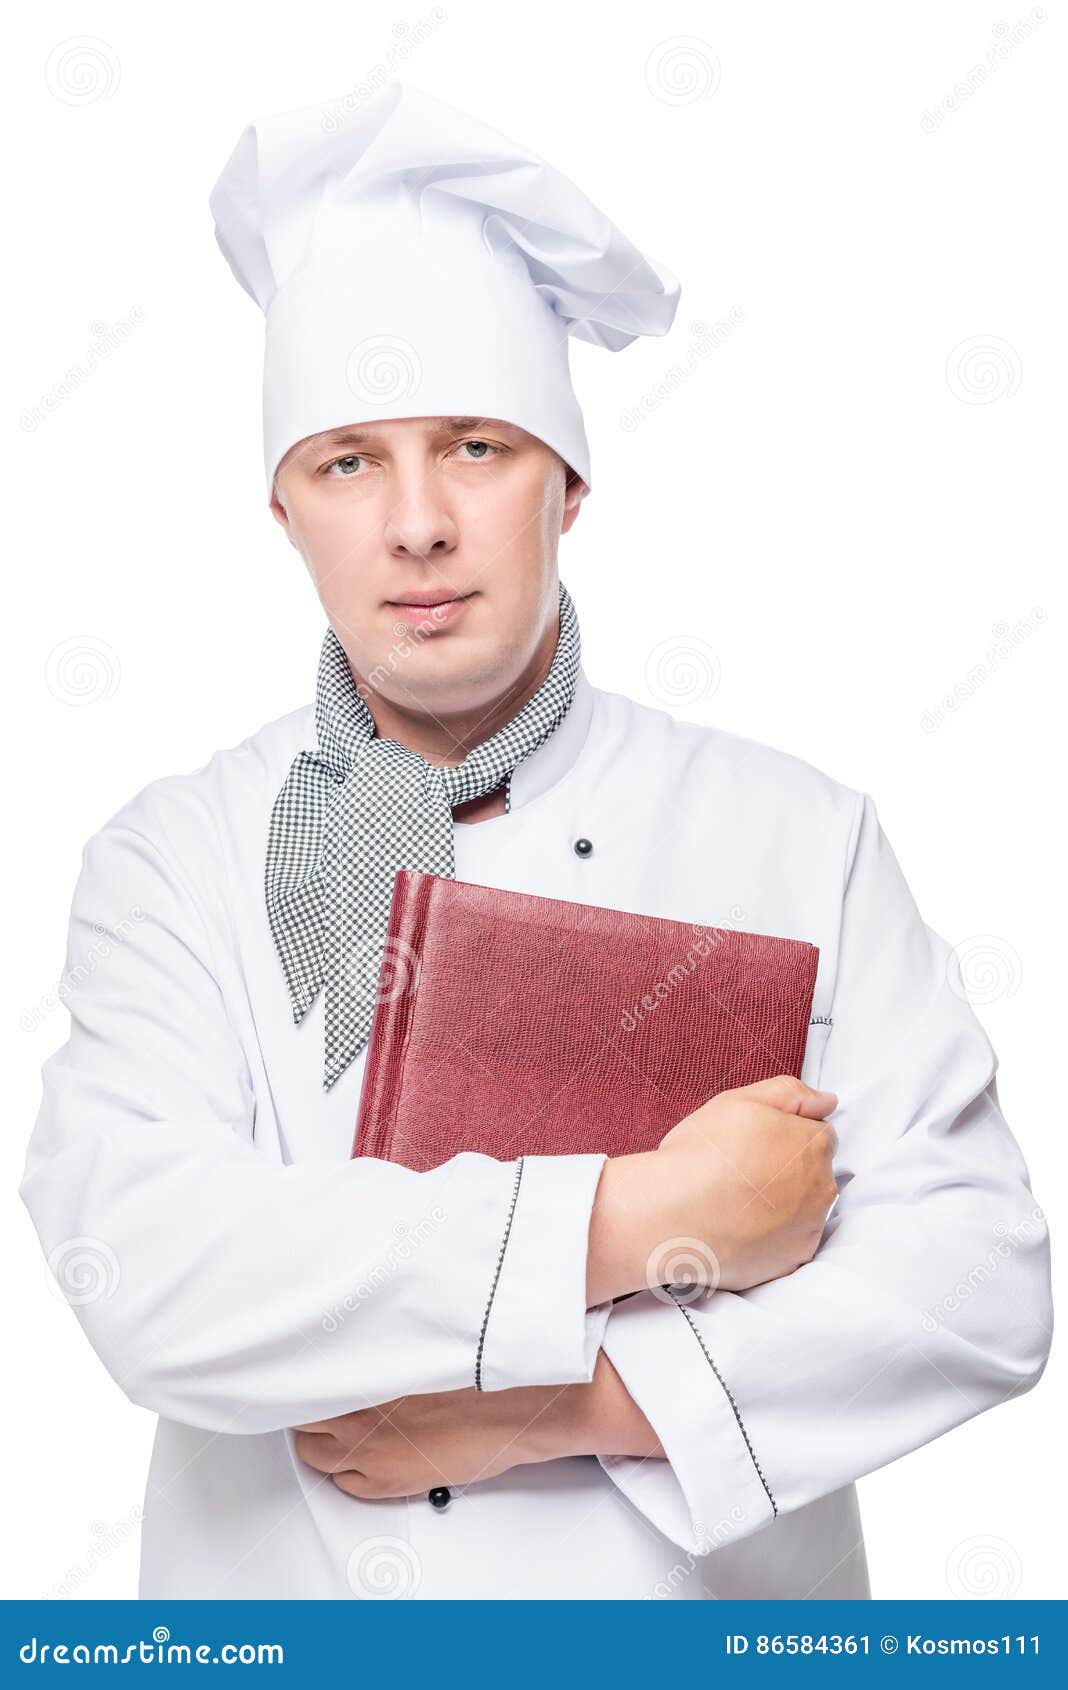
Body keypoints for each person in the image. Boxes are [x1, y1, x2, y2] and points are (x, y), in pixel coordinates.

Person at [20, 80, 1051, 1602]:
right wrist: (643, 1217)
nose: (419, 522)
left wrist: (567, 1409)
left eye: (478, 445)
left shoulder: (794, 833)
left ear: (569, 482)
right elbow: (160, 1271)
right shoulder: (171, 861)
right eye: (349, 460)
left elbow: (978, 1277)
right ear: (282, 509)